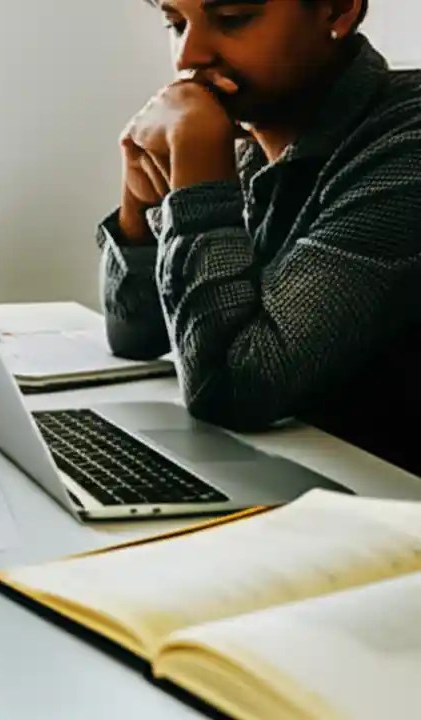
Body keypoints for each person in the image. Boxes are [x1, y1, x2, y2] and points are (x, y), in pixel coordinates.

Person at [102, 0, 421, 473]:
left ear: (337, 10)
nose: (189, 57)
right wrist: (138, 203)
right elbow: (133, 335)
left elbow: (234, 390)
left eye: (233, 17)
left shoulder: (406, 147)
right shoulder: (254, 142)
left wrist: (199, 169)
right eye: (176, 23)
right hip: (305, 481)